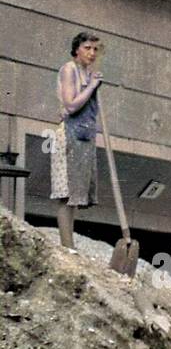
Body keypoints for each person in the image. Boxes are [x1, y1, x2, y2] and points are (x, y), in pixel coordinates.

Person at [53, 32, 103, 249]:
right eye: (87, 48)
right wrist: (91, 87)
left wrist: (92, 84)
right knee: (66, 192)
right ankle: (67, 246)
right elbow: (71, 105)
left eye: (95, 49)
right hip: (69, 135)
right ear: (76, 49)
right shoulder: (69, 69)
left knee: (76, 193)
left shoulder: (88, 73)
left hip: (84, 136)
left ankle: (70, 243)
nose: (92, 53)